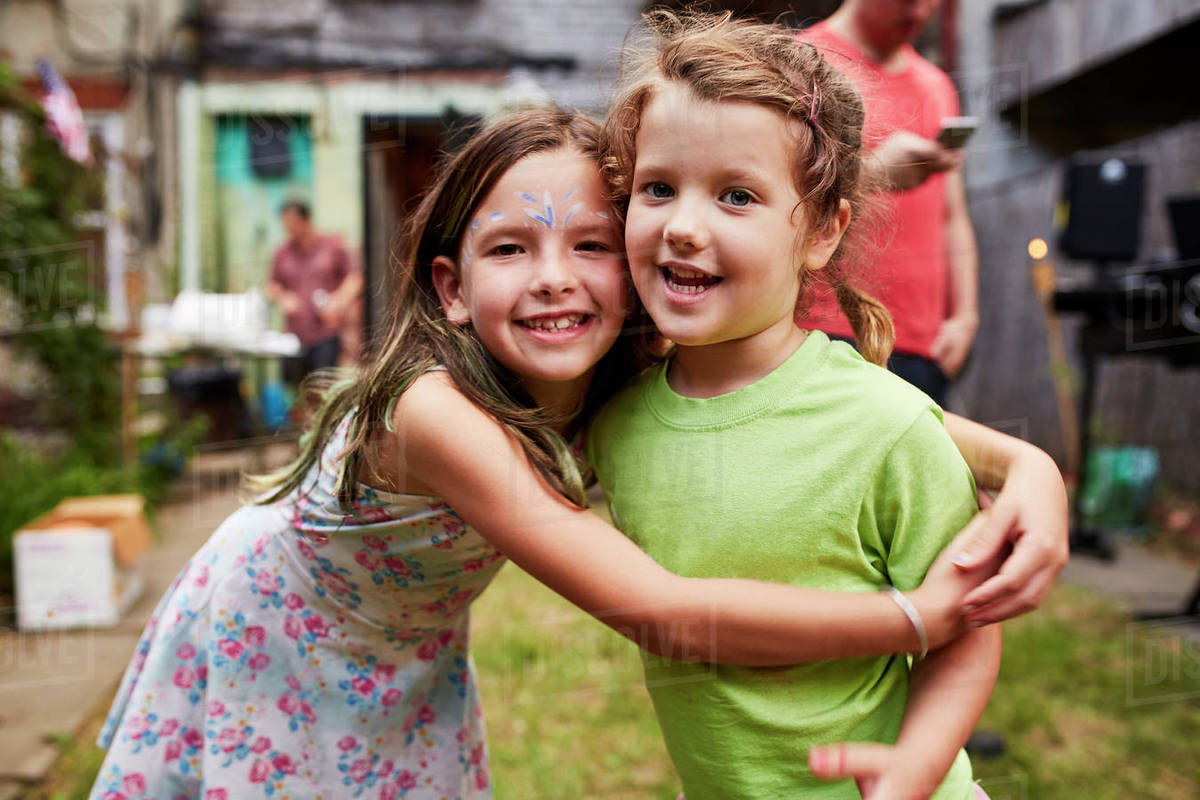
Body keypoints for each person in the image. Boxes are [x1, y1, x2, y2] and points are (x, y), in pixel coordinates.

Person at [91, 108, 1058, 800]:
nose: (556, 280)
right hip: (281, 638)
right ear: (453, 286)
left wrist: (1030, 470)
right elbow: (661, 611)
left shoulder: (616, 366)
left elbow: (853, 410)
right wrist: (911, 617)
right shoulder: (432, 412)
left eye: (591, 244)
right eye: (510, 249)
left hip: (407, 649)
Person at [591, 12, 1003, 798]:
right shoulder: (616, 418)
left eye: (736, 196)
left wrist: (915, 768)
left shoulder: (887, 426)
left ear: (820, 231)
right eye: (658, 188)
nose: (682, 226)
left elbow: (967, 626)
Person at [798, 0, 978, 407]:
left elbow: (952, 215)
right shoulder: (800, 64)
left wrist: (965, 316)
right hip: (822, 331)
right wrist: (875, 173)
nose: (918, 12)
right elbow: (777, 195)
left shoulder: (937, 85)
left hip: (922, 345)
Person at [265, 200, 364, 383]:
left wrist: (339, 301)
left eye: (294, 225)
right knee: (293, 390)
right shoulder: (282, 254)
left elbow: (354, 279)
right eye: (286, 226)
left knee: (322, 388)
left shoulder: (331, 248)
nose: (290, 231)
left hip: (325, 333)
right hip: (294, 335)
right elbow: (272, 286)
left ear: (306, 221)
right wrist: (283, 298)